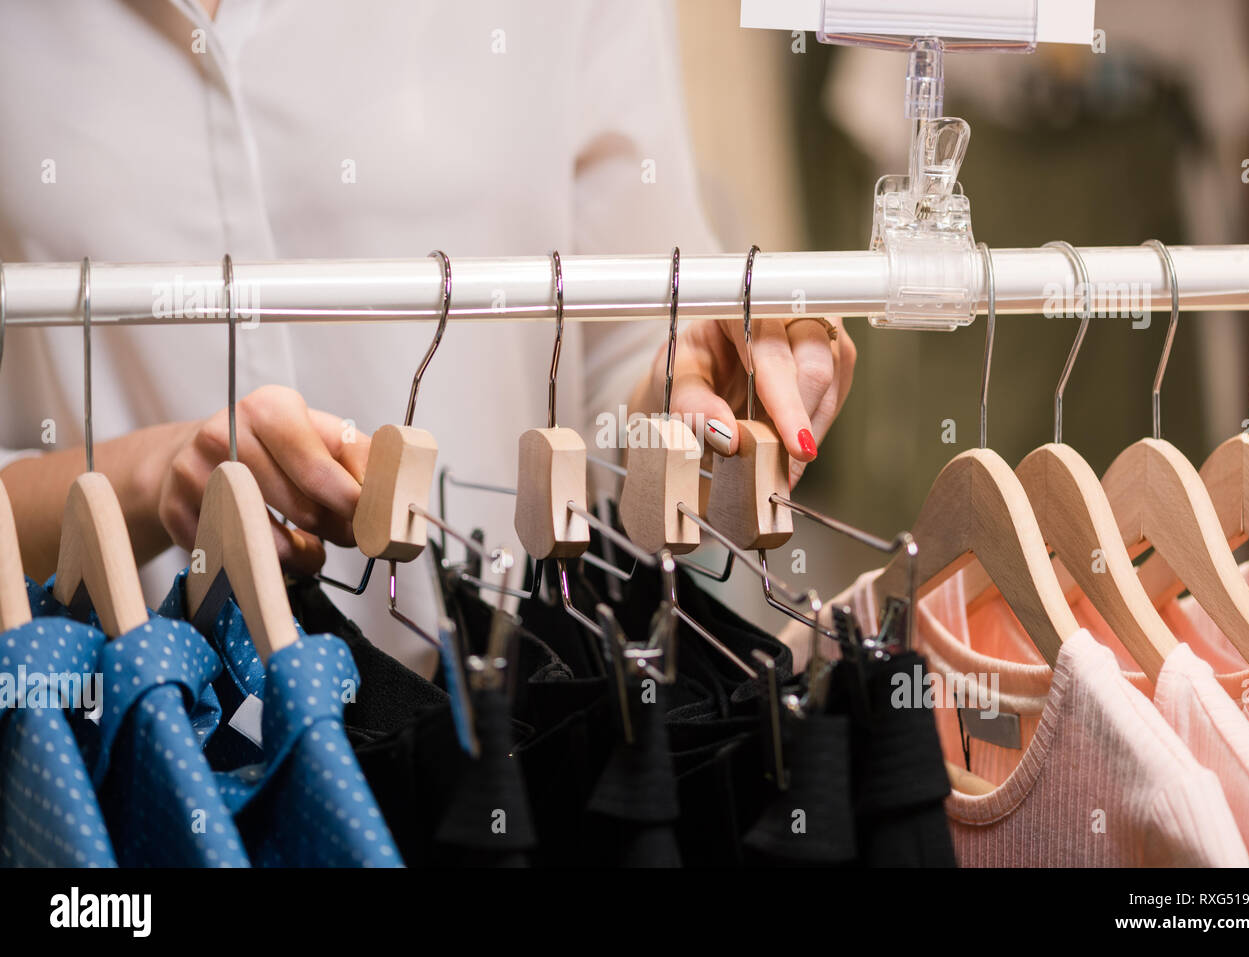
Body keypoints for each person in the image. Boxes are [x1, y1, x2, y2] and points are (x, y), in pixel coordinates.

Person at [0, 0, 855, 676]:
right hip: (103, 742)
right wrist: (149, 478)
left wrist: (687, 404)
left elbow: (633, 349)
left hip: (489, 728)